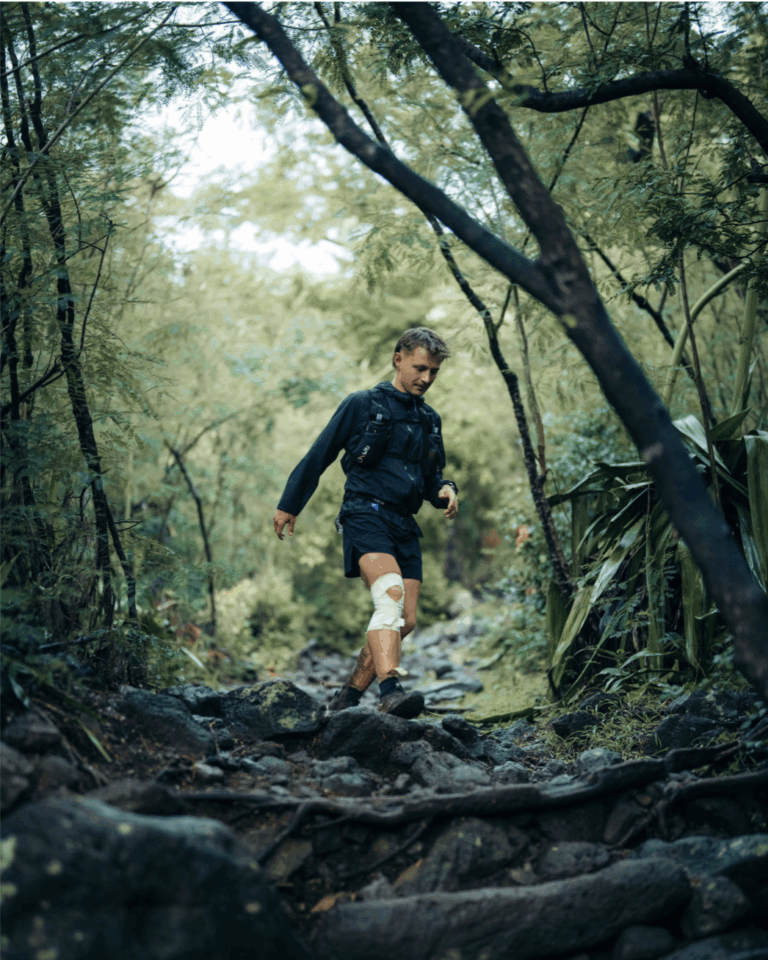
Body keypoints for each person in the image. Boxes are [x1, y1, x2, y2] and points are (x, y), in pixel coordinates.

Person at [273, 327, 459, 718]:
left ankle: (348, 698)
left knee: (404, 621)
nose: (426, 378)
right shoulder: (362, 404)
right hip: (364, 513)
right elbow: (319, 454)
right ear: (399, 359)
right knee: (388, 595)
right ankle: (390, 690)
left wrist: (445, 490)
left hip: (404, 525)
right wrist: (290, 503)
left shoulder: (430, 420)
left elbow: (431, 480)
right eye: (419, 367)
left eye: (433, 372)